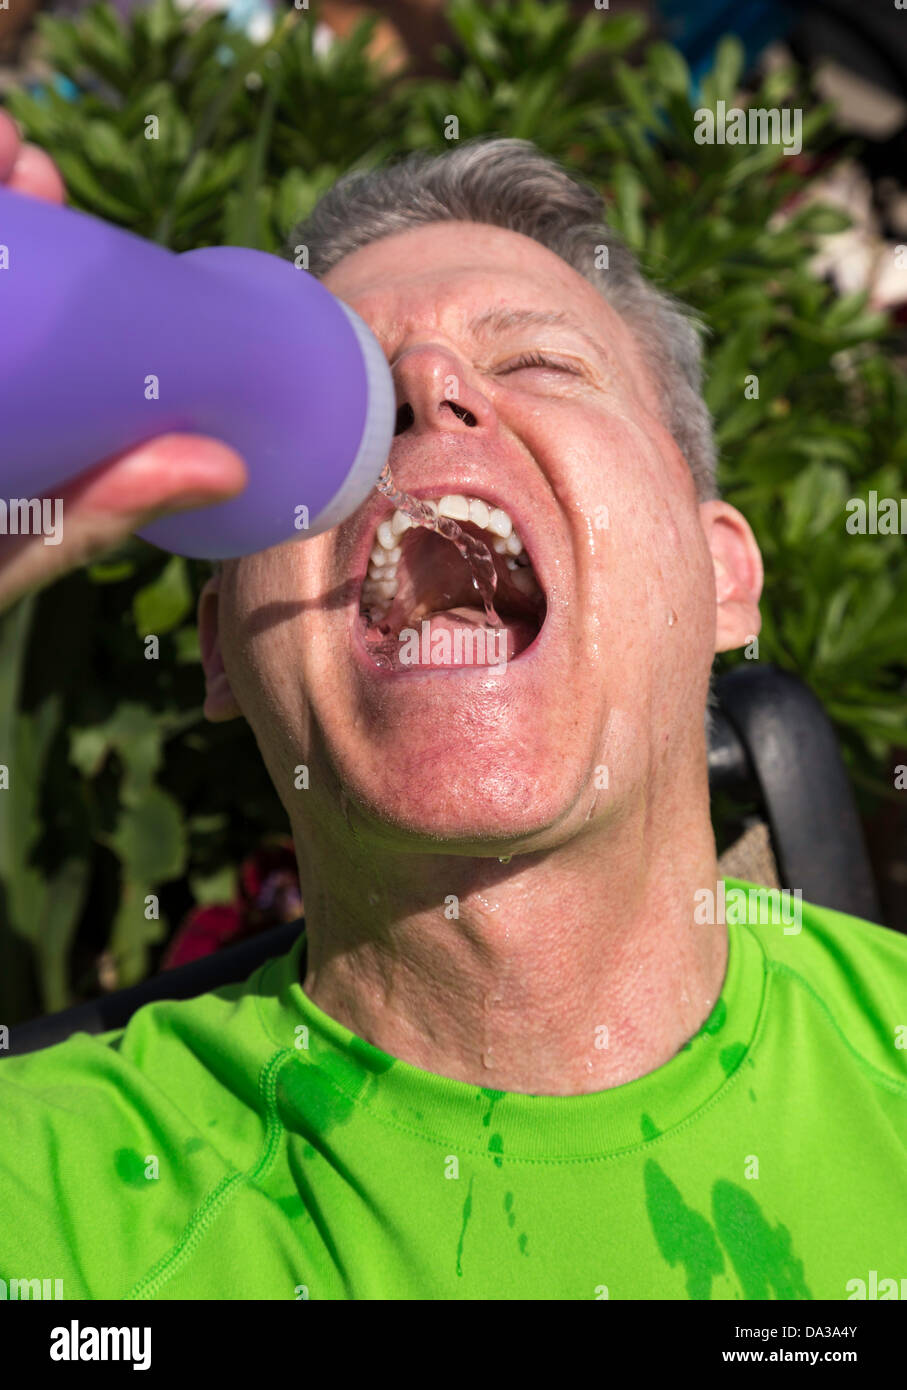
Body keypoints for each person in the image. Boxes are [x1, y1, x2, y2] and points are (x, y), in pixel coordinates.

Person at [1, 109, 905, 1302]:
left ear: (723, 576)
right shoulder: (57, 1194)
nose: (425, 389)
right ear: (221, 650)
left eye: (535, 360)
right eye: (338, 403)